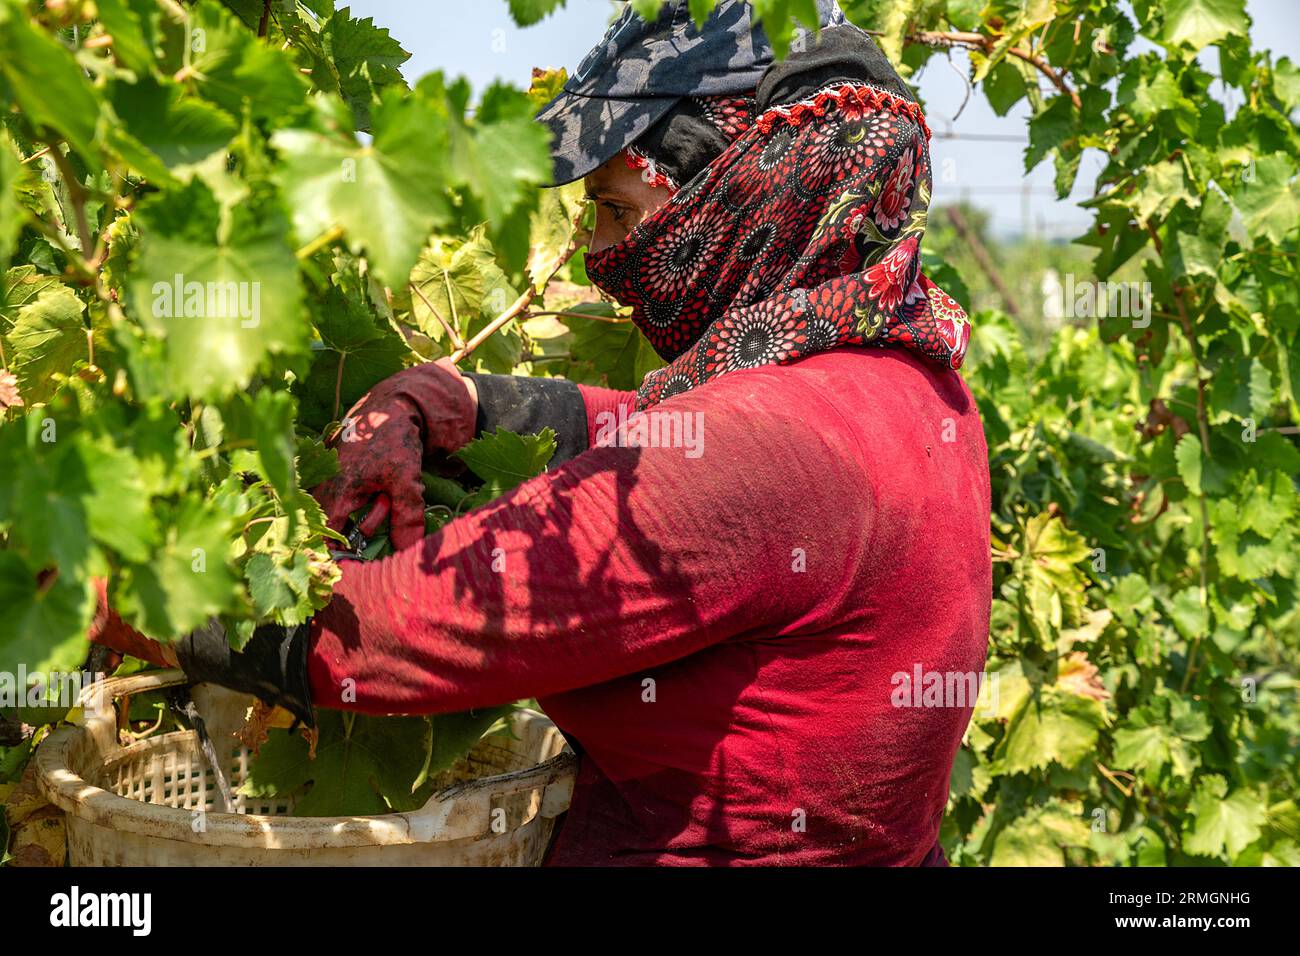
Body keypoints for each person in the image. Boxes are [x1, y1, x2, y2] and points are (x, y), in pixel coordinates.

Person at [93, 0, 991, 866]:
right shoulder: (910, 382)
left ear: (742, 193)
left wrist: (120, 597)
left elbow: (381, 635)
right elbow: (648, 435)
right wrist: (446, 402)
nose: (601, 259)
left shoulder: (757, 453)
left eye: (619, 211)